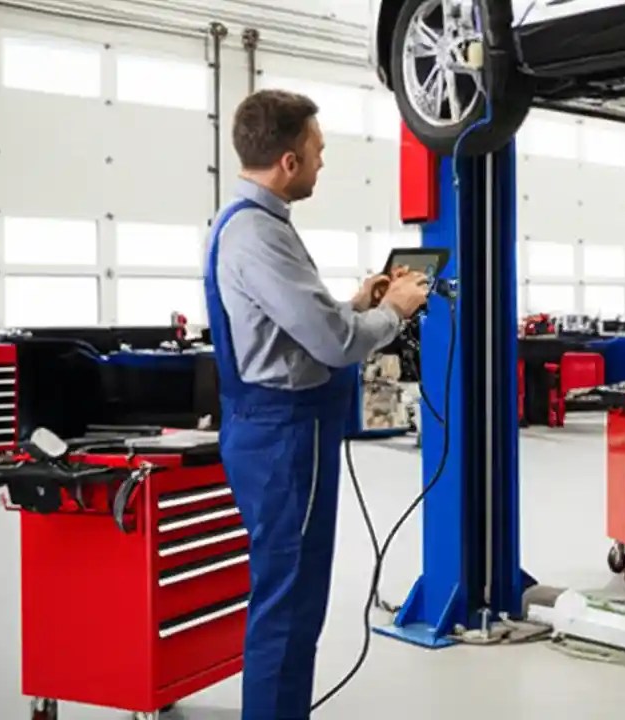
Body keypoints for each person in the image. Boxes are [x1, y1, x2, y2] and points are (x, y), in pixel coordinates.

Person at [202, 89, 429, 720]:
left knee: (291, 598)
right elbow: (329, 345)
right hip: (283, 438)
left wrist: (356, 302)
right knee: (289, 605)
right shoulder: (257, 234)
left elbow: (301, 323)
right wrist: (392, 313)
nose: (324, 163)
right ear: (289, 162)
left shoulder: (255, 224)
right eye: (318, 150)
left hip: (281, 432)